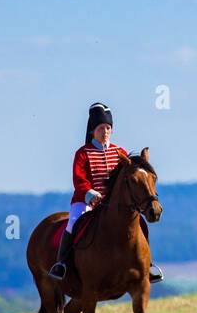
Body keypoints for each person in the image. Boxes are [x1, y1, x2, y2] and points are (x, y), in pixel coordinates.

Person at [50, 102, 163, 283]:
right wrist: (90, 194)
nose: (105, 132)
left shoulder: (120, 152)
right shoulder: (83, 153)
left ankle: (147, 265)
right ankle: (62, 263)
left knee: (140, 222)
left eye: (108, 128)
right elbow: (79, 180)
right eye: (101, 128)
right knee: (73, 223)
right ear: (92, 131)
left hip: (113, 204)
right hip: (85, 201)